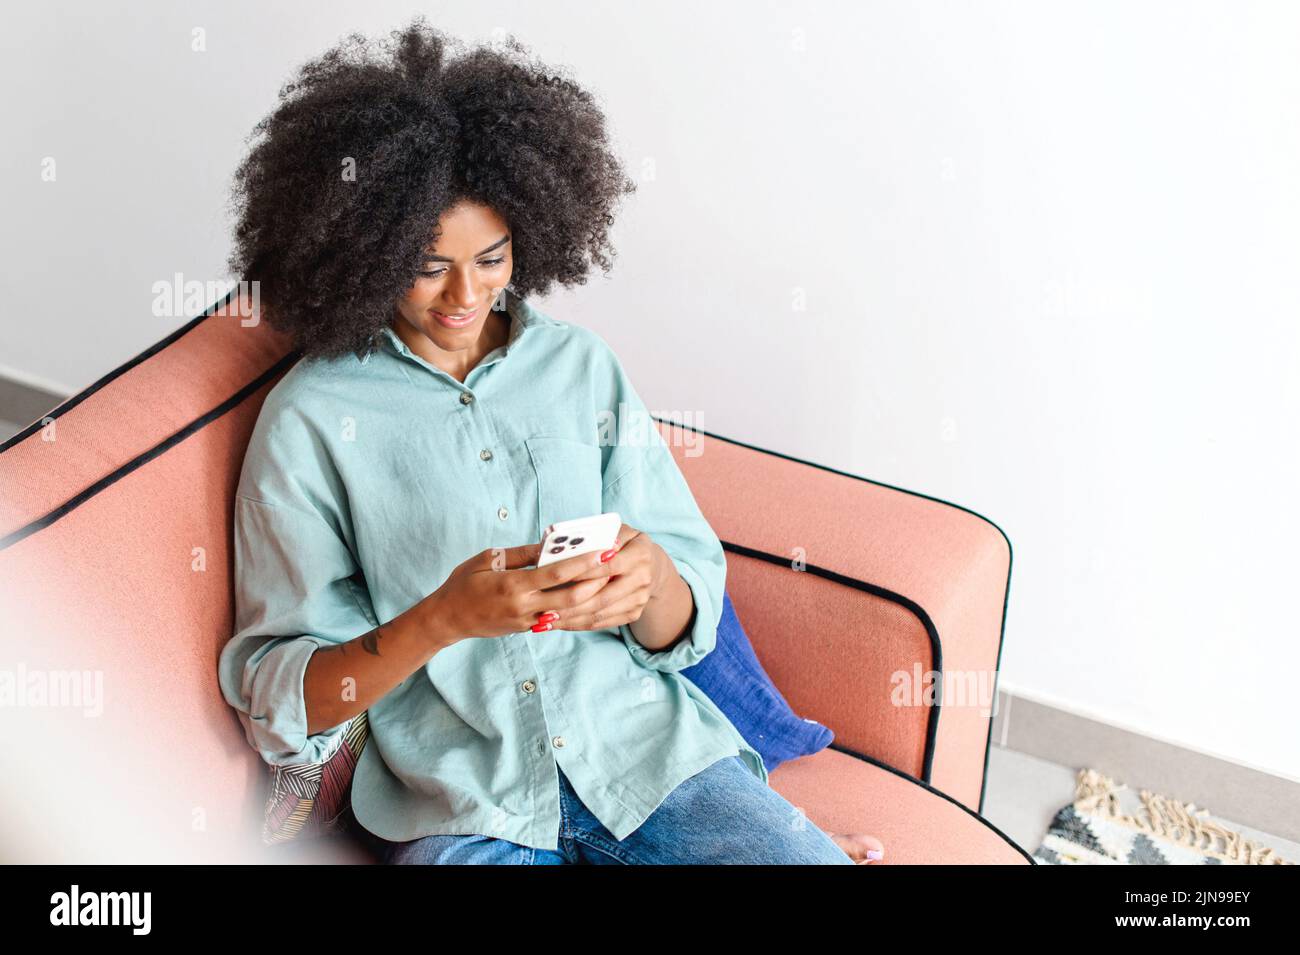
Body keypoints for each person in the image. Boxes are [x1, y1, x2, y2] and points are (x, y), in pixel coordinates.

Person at [217, 17, 884, 866]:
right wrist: (442, 618)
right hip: (463, 802)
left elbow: (688, 611)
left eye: (492, 259)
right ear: (365, 245)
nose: (466, 295)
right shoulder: (311, 418)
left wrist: (649, 582)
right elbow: (283, 696)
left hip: (653, 760)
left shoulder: (580, 368)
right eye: (428, 266)